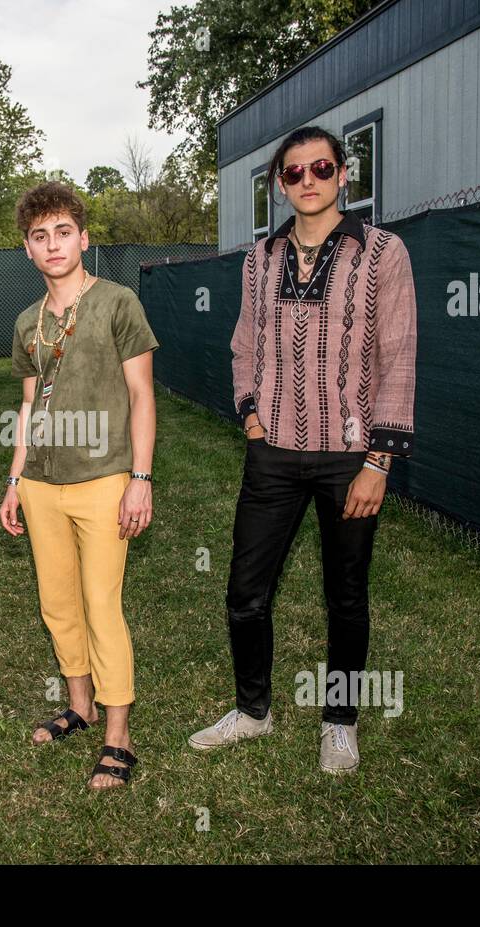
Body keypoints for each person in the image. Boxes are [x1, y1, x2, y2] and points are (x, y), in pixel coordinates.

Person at [188, 126, 417, 773]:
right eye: (294, 172)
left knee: (345, 594)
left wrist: (379, 460)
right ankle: (253, 711)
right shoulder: (259, 260)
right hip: (274, 454)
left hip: (351, 459)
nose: (308, 179)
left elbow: (398, 357)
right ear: (280, 185)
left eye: (321, 167)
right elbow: (243, 346)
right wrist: (252, 416)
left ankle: (340, 721)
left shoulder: (382, 253)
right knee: (244, 590)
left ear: (344, 174)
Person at [0, 181, 158, 790]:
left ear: (83, 237)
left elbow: (142, 396)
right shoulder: (25, 322)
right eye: (40, 236)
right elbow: (28, 405)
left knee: (101, 604)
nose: (53, 243)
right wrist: (14, 481)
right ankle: (81, 705)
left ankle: (119, 735)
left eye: (63, 231)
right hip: (41, 484)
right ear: (28, 250)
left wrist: (139, 479)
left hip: (104, 480)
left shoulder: (117, 302)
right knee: (57, 603)